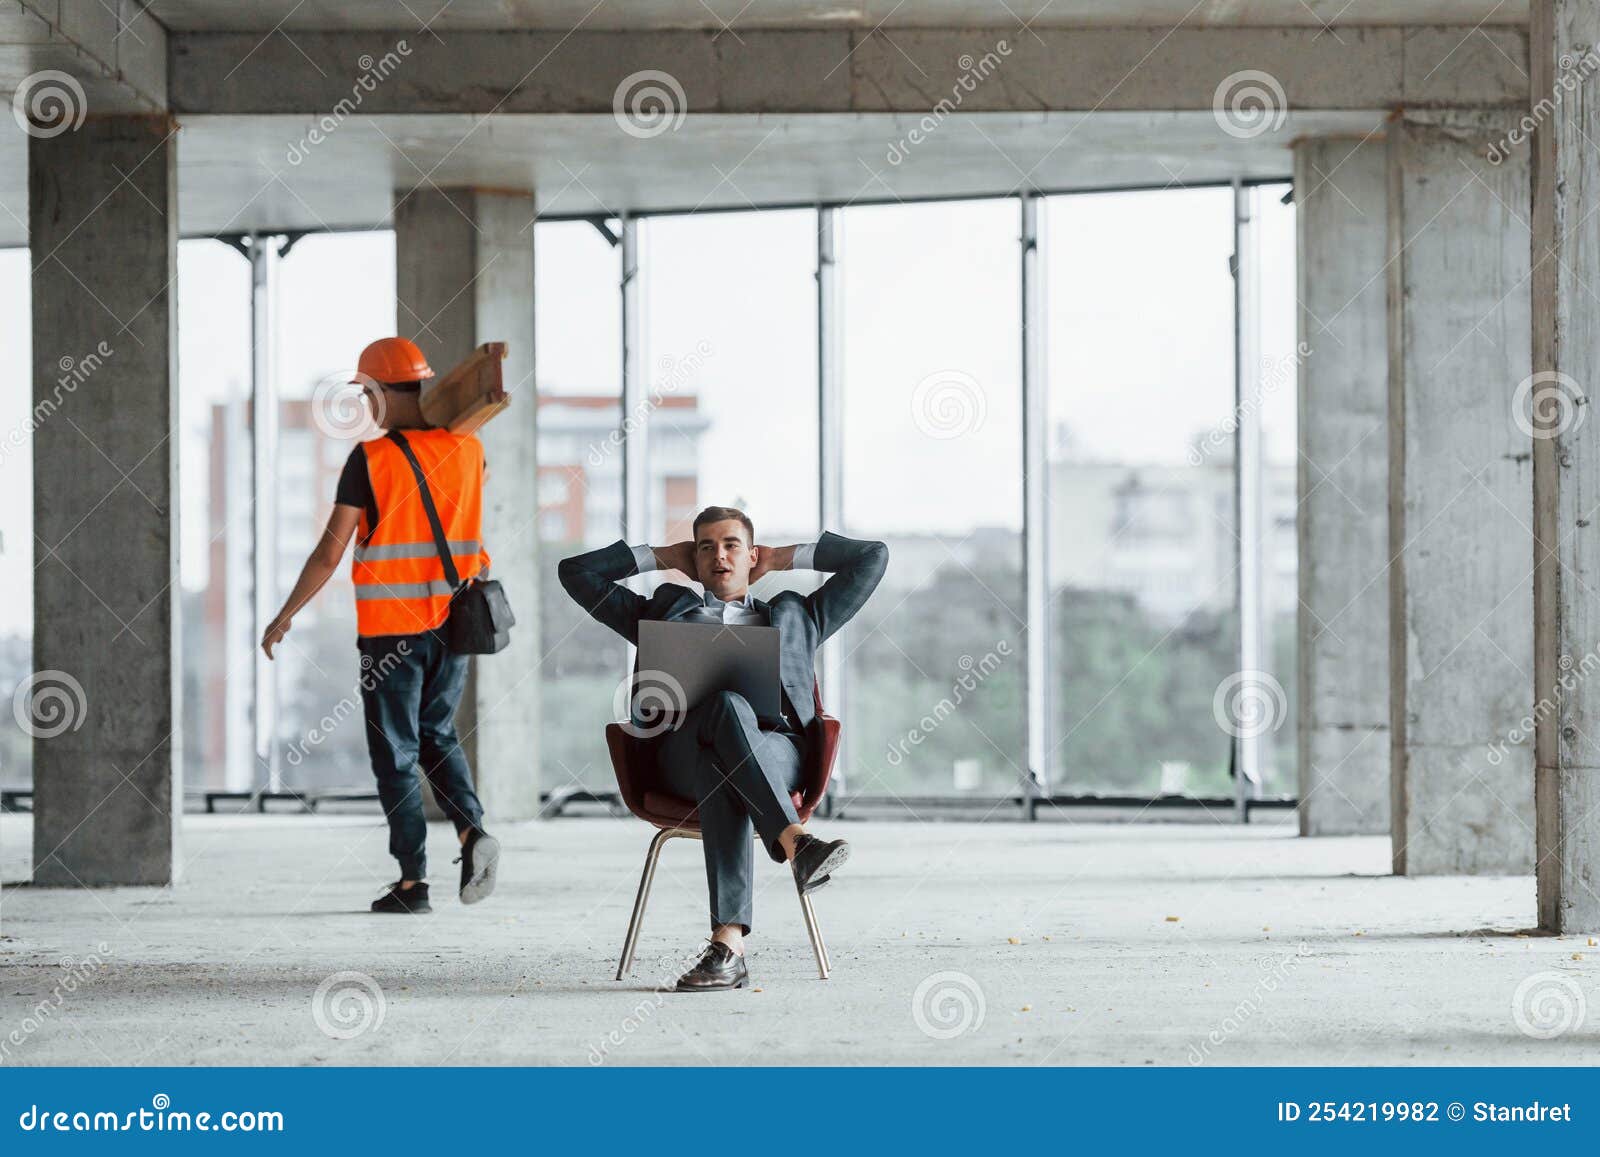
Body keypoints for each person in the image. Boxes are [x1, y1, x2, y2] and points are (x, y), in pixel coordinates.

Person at [559, 506, 888, 991]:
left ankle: (728, 947)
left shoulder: (800, 615)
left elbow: (872, 559)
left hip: (777, 753)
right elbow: (576, 572)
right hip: (681, 757)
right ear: (693, 558)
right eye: (706, 546)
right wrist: (661, 556)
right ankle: (795, 844)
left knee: (727, 765)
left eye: (732, 544)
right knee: (725, 713)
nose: (720, 555)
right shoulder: (661, 610)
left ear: (751, 555)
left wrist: (784, 557)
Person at [260, 336, 502, 915]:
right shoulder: (469, 450)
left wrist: (285, 613)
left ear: (373, 391)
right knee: (437, 735)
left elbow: (329, 550)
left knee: (395, 752)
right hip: (456, 620)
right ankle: (472, 831)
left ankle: (413, 883)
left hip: (393, 631)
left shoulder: (370, 460)